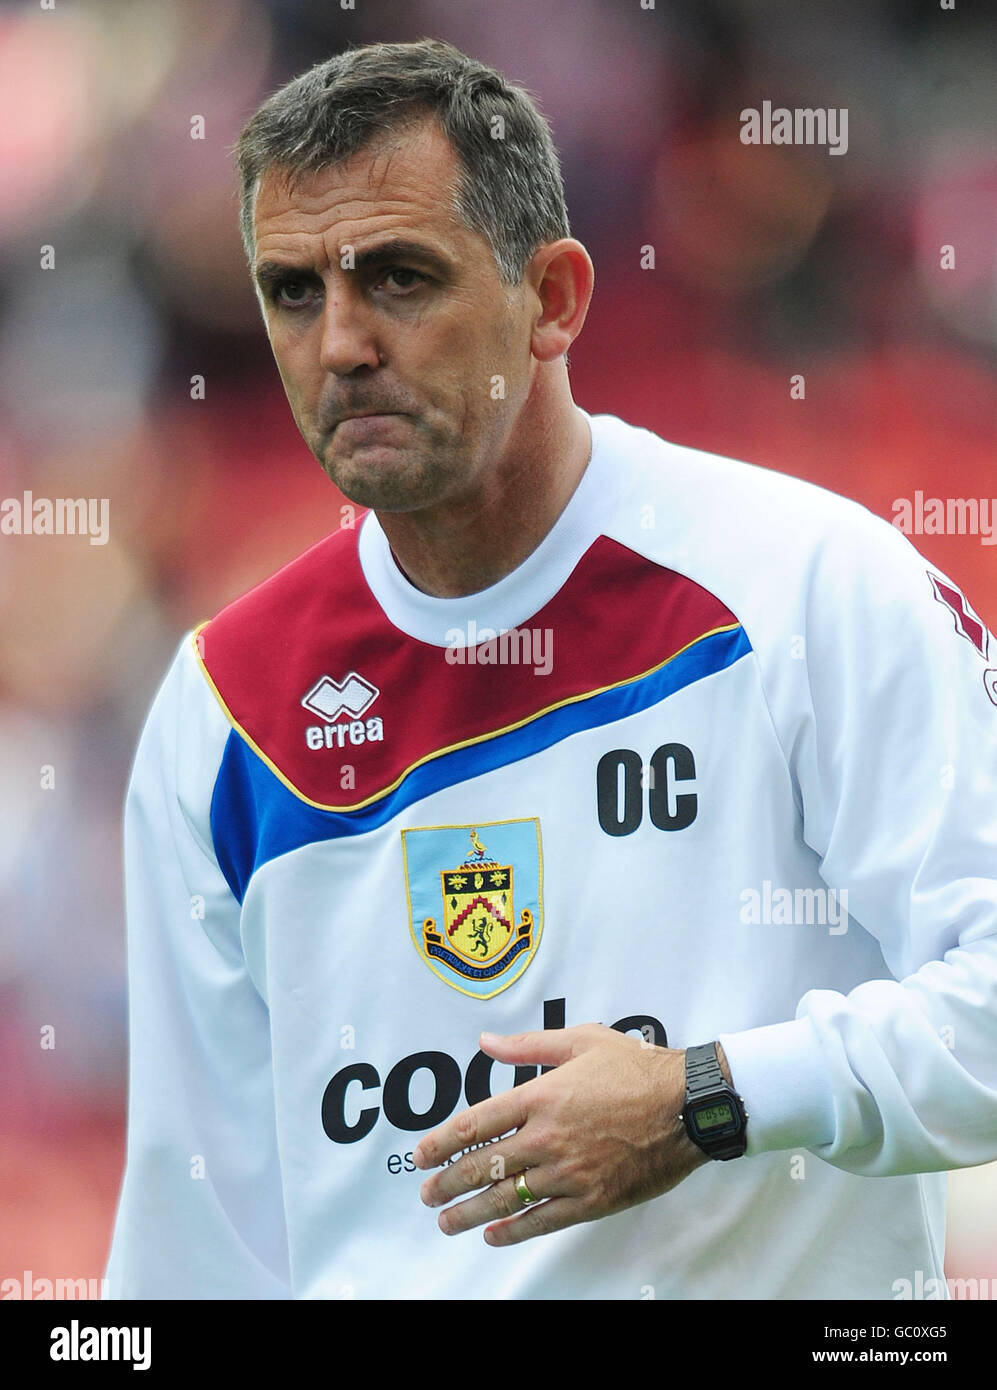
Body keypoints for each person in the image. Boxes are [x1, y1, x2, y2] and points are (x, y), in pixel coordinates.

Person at [104, 38, 997, 1300]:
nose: (341, 344)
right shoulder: (225, 709)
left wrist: (706, 1097)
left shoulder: (805, 586)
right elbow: (194, 1258)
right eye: (293, 293)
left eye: (399, 279)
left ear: (556, 300)